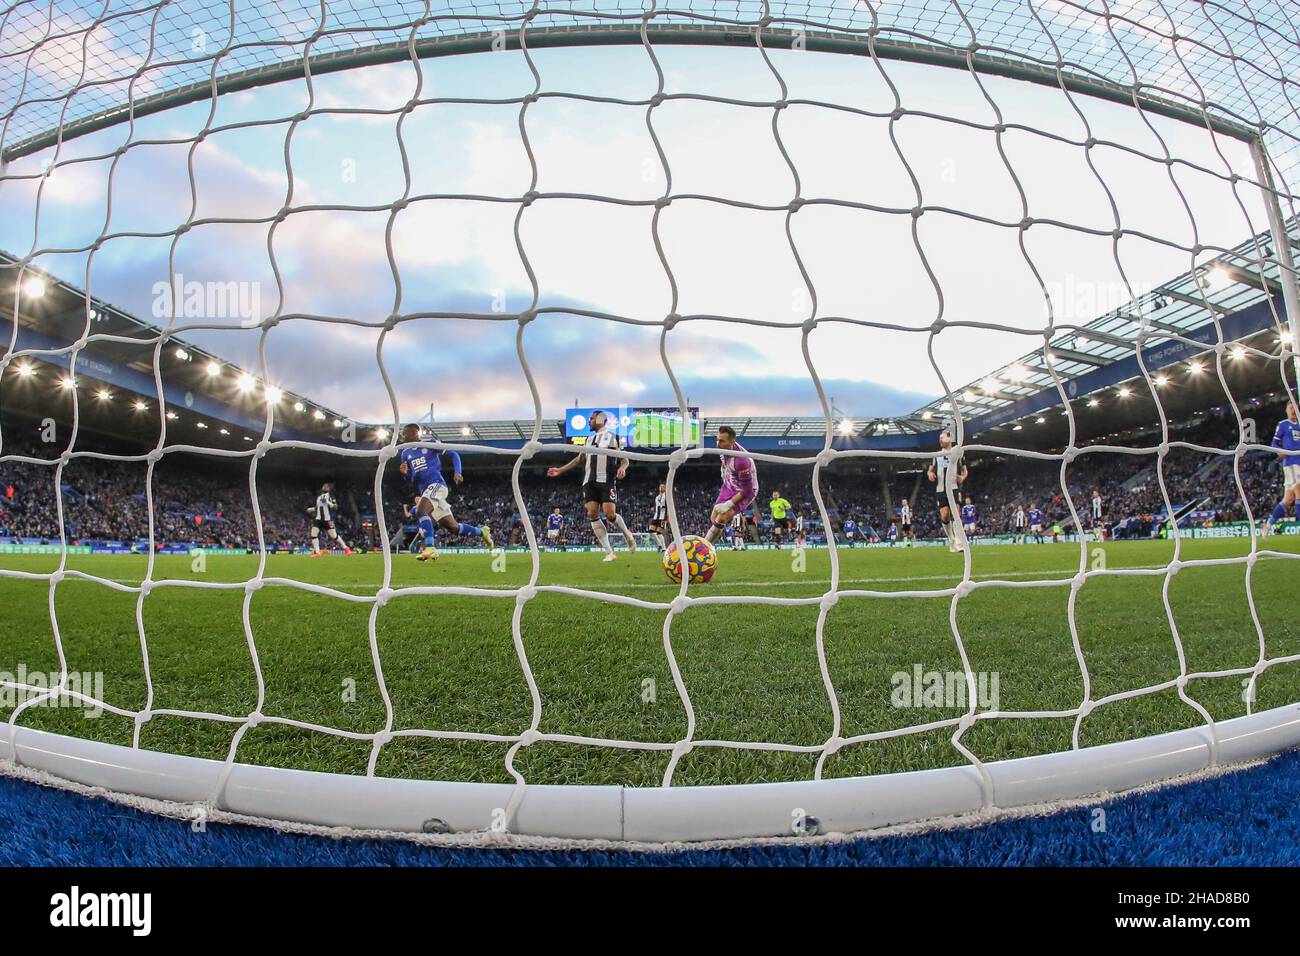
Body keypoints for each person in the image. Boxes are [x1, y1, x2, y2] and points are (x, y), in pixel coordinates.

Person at [546, 410, 636, 561]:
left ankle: (627, 534)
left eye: (592, 419)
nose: (589, 421)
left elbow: (624, 459)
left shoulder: (614, 437)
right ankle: (609, 552)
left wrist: (622, 468)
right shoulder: (588, 440)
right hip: (589, 481)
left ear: (601, 420)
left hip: (606, 480)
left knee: (609, 514)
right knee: (592, 513)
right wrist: (560, 470)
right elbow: (578, 459)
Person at [397, 424, 494, 562]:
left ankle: (430, 548)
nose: (403, 436)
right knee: (453, 528)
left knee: (421, 510)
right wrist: (405, 474)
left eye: (405, 433)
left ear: (415, 432)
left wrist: (458, 472)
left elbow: (453, 454)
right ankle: (482, 532)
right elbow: (411, 478)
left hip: (437, 485)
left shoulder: (430, 444)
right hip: (427, 492)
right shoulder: (404, 453)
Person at [704, 425, 758, 545]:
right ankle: (714, 539)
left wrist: (729, 504)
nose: (718, 443)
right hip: (729, 484)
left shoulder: (741, 461)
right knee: (714, 519)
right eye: (717, 440)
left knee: (722, 517)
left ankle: (704, 547)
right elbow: (723, 461)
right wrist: (723, 470)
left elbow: (747, 491)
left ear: (732, 442)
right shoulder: (723, 449)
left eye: (722, 441)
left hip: (745, 489)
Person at [927, 431, 968, 552]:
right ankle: (951, 540)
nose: (940, 440)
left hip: (954, 488)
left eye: (942, 438)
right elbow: (930, 470)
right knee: (945, 515)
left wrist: (962, 477)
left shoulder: (958, 453)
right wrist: (930, 474)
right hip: (941, 489)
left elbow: (965, 470)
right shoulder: (937, 455)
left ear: (950, 439)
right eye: (939, 438)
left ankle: (959, 542)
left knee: (956, 514)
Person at [1265, 402, 1300, 535]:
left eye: (1294, 408)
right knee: (1298, 491)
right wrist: (1279, 451)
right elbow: (1274, 442)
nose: (1292, 410)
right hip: (1292, 463)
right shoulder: (1283, 425)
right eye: (1290, 408)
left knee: (1288, 499)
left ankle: (1268, 525)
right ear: (1286, 410)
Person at [308, 482, 352, 555]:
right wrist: (311, 509)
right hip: (318, 519)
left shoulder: (330, 497)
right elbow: (317, 508)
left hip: (327, 519)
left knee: (334, 536)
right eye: (324, 486)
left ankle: (346, 548)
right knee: (313, 534)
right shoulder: (319, 498)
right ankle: (317, 552)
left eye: (326, 486)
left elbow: (335, 507)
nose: (325, 487)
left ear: (329, 489)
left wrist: (328, 502)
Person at [649, 482, 669, 551]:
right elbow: (657, 506)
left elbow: (668, 506)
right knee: (651, 532)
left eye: (663, 486)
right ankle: (660, 544)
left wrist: (668, 517)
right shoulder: (657, 497)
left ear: (665, 488)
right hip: (656, 516)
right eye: (660, 486)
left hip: (663, 517)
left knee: (659, 533)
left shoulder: (667, 496)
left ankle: (663, 548)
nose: (661, 488)